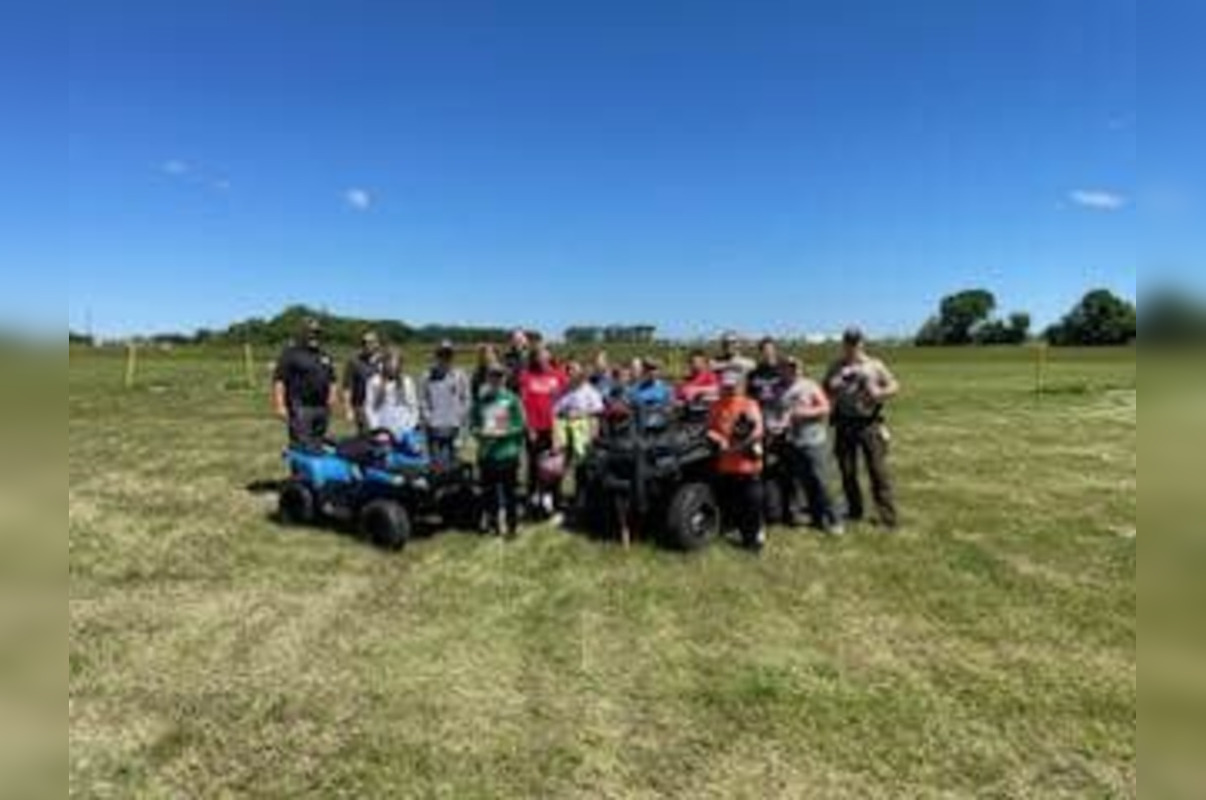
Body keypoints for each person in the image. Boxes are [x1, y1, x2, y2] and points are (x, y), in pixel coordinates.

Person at [824, 327, 900, 528]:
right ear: (844, 344)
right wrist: (834, 384)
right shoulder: (837, 365)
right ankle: (854, 510)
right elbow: (825, 387)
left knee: (877, 470)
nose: (852, 346)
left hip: (870, 423)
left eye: (856, 342)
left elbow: (894, 385)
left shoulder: (875, 364)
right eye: (848, 342)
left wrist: (879, 394)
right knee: (847, 470)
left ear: (862, 343)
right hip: (844, 422)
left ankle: (887, 516)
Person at [707, 369, 767, 552]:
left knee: (752, 502)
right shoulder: (717, 405)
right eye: (726, 386)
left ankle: (754, 538)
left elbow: (757, 432)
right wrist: (718, 439)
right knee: (733, 501)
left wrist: (736, 447)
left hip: (748, 464)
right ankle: (737, 530)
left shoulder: (749, 404)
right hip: (726, 465)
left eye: (733, 385)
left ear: (741, 385)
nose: (730, 389)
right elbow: (710, 428)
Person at [782, 357, 843, 534]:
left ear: (801, 369)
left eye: (795, 367)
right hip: (794, 441)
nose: (792, 370)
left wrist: (803, 413)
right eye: (788, 367)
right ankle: (817, 518)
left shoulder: (810, 385)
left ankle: (835, 519)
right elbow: (785, 413)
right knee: (805, 482)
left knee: (821, 481)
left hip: (814, 441)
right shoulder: (783, 389)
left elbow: (825, 408)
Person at [470, 364, 527, 538]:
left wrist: (506, 432)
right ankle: (494, 524)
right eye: (493, 376)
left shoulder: (512, 399)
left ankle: (512, 526)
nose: (496, 379)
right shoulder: (481, 400)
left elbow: (521, 424)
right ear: (488, 378)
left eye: (500, 376)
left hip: (507, 453)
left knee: (510, 493)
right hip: (487, 454)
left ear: (504, 378)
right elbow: (473, 425)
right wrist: (480, 433)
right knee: (489, 492)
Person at [518, 345, 568, 518]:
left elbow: (564, 404)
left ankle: (555, 502)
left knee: (554, 468)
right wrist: (529, 427)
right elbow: (523, 405)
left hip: (554, 430)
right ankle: (533, 501)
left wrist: (559, 430)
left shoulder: (559, 375)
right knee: (533, 467)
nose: (542, 357)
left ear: (550, 355)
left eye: (545, 353)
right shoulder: (526, 376)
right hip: (534, 429)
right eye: (538, 354)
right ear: (534, 357)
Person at [272, 318, 339, 446]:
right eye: (310, 332)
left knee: (319, 443)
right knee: (301, 445)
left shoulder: (324, 355)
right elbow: (279, 381)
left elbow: (332, 379)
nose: (314, 336)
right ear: (302, 333)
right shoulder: (291, 353)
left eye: (317, 332)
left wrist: (332, 397)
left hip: (322, 407)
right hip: (300, 407)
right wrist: (280, 405)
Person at [420, 340, 472, 465]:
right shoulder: (426, 375)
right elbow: (423, 400)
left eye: (448, 354)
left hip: (454, 427)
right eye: (441, 354)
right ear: (437, 355)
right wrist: (429, 418)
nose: (445, 358)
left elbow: (467, 399)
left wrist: (460, 417)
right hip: (434, 428)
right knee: (437, 463)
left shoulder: (460, 375)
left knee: (453, 462)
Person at [553, 361, 605, 466]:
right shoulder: (565, 390)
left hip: (584, 433)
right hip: (566, 433)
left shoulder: (590, 391)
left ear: (580, 372)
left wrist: (580, 414)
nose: (570, 372)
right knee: (565, 464)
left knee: (584, 465)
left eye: (573, 369)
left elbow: (599, 409)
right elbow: (556, 409)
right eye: (568, 370)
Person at [363, 348, 420, 435]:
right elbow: (369, 407)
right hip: (383, 430)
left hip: (405, 430)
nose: (393, 368)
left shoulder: (407, 381)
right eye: (389, 363)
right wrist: (375, 428)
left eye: (396, 364)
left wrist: (410, 426)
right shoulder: (374, 382)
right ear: (384, 364)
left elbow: (413, 406)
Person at [342, 330, 384, 434]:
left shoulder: (384, 360)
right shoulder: (354, 361)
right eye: (364, 342)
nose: (367, 345)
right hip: (361, 407)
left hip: (381, 406)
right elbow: (347, 387)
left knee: (383, 436)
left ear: (377, 343)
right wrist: (348, 409)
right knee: (366, 436)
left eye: (371, 342)